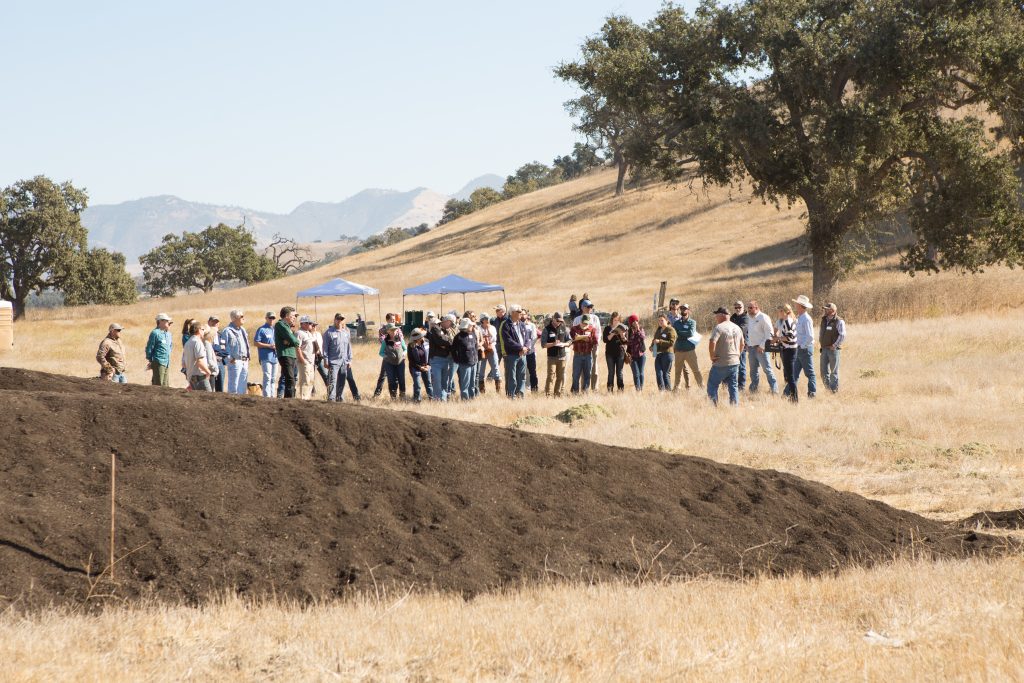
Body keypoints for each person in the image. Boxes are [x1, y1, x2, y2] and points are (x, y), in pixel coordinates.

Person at [707, 306, 745, 406]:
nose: (716, 317)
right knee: (733, 386)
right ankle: (734, 406)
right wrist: (738, 355)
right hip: (735, 362)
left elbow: (712, 342)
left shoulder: (719, 327)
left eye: (717, 315)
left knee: (712, 385)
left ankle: (713, 406)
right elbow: (742, 344)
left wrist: (712, 356)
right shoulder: (737, 327)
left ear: (722, 315)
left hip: (721, 363)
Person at [745, 300, 778, 394]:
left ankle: (774, 390)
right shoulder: (749, 318)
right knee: (753, 371)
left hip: (761, 349)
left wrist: (762, 346)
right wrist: (748, 343)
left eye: (751, 308)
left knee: (767, 369)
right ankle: (753, 390)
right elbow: (748, 332)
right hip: (751, 348)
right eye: (748, 308)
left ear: (757, 308)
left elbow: (770, 333)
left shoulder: (763, 317)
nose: (749, 310)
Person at [321, 313, 354, 401]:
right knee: (332, 381)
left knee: (342, 381)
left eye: (341, 319)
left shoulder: (346, 333)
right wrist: (326, 360)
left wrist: (350, 360)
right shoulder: (328, 333)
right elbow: (325, 348)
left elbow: (348, 347)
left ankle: (340, 398)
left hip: (344, 361)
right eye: (338, 319)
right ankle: (331, 399)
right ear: (334, 320)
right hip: (333, 362)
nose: (339, 321)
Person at [671, 304, 703, 390]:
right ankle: (676, 389)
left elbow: (691, 333)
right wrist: (683, 333)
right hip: (678, 350)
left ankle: (701, 387)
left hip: (690, 350)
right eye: (681, 308)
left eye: (685, 308)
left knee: (696, 370)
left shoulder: (692, 322)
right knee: (678, 372)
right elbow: (674, 334)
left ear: (688, 310)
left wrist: (679, 332)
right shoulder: (676, 323)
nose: (683, 310)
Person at [499, 304, 529, 398]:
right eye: (518, 312)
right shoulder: (506, 324)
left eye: (521, 312)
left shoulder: (522, 324)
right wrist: (520, 348)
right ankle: (511, 396)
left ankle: (520, 394)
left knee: (522, 376)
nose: (521, 314)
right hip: (511, 355)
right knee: (511, 377)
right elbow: (508, 340)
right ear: (512, 313)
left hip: (522, 354)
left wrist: (525, 348)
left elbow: (527, 338)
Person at [792, 295, 817, 400]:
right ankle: (788, 393)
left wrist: (802, 346)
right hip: (799, 349)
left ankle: (812, 393)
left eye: (797, 304)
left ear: (801, 306)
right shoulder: (799, 318)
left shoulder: (806, 319)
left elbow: (810, 336)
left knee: (810, 373)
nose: (795, 305)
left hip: (804, 349)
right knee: (794, 373)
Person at [274, 307, 303, 398]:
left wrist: (290, 340)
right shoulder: (280, 324)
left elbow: (294, 340)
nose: (294, 318)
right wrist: (292, 340)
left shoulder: (288, 327)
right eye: (293, 316)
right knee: (290, 378)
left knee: (293, 378)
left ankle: (290, 398)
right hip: (285, 354)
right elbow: (295, 341)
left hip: (292, 354)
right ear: (286, 316)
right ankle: (289, 399)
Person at [572, 298, 600, 390]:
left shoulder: (595, 318)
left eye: (591, 307)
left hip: (592, 347)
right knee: (580, 371)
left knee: (594, 369)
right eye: (588, 307)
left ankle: (594, 388)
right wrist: (581, 338)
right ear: (582, 307)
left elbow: (598, 332)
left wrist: (596, 345)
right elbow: (573, 335)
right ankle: (582, 389)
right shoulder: (577, 319)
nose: (590, 308)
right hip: (579, 348)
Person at [373, 313, 403, 398]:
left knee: (396, 377)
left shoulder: (398, 329)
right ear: (387, 320)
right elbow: (382, 341)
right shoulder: (382, 330)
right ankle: (377, 394)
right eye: (392, 320)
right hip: (387, 356)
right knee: (383, 376)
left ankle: (395, 395)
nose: (394, 321)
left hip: (397, 356)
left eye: (394, 320)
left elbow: (401, 340)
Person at [427, 314, 456, 401]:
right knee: (437, 381)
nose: (450, 326)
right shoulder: (435, 328)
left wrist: (446, 342)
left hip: (445, 359)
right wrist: (447, 341)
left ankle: (443, 400)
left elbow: (448, 341)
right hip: (436, 359)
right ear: (447, 321)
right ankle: (437, 399)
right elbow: (440, 341)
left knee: (444, 382)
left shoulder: (446, 330)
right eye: (450, 324)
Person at [221, 309, 250, 395]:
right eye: (241, 316)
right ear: (234, 318)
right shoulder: (227, 331)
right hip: (235, 361)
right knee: (234, 386)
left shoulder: (243, 330)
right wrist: (229, 358)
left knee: (243, 387)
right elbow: (222, 346)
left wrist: (248, 357)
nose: (243, 318)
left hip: (245, 361)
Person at [542, 311, 571, 396]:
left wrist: (565, 344)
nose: (559, 323)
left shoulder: (564, 328)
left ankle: (557, 394)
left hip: (562, 356)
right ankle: (548, 394)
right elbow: (543, 344)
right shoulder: (547, 329)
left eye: (561, 321)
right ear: (553, 319)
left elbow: (569, 340)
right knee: (551, 376)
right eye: (558, 321)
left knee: (560, 376)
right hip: (552, 357)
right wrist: (553, 344)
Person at [819, 302, 846, 393]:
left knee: (833, 372)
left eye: (827, 309)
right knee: (823, 371)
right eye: (825, 309)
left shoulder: (839, 321)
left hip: (833, 350)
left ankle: (834, 391)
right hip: (824, 349)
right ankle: (828, 390)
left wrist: (834, 346)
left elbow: (842, 335)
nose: (825, 310)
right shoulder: (824, 320)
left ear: (833, 311)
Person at [452, 318, 479, 400]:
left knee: (472, 383)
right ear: (466, 326)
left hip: (474, 363)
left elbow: (476, 346)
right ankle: (465, 400)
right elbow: (453, 350)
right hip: (464, 364)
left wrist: (476, 358)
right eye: (470, 325)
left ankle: (472, 398)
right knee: (465, 384)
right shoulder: (458, 337)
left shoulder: (473, 334)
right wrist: (457, 360)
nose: (472, 326)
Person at [775, 304, 798, 400]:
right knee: (789, 376)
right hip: (789, 349)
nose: (778, 313)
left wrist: (777, 339)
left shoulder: (788, 321)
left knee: (790, 377)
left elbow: (789, 337)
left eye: (779, 311)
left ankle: (794, 398)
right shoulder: (787, 321)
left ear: (783, 312)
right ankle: (793, 397)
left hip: (790, 350)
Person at [182, 320, 213, 392]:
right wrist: (208, 372)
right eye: (202, 329)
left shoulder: (188, 343)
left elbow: (184, 364)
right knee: (209, 400)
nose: (203, 332)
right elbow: (200, 361)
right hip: (200, 377)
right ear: (198, 330)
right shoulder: (197, 342)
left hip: (192, 378)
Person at [145, 313, 173, 387]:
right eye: (166, 321)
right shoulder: (155, 333)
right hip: (158, 362)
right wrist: (151, 360)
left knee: (166, 385)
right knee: (158, 385)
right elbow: (149, 348)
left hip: (166, 362)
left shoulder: (168, 334)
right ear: (160, 321)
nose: (168, 322)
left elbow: (170, 346)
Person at [254, 312, 278, 398]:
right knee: (267, 377)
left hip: (275, 357)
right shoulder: (262, 329)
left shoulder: (275, 329)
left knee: (273, 378)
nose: (272, 320)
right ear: (266, 318)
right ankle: (266, 396)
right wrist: (269, 346)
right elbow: (256, 342)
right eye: (270, 318)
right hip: (265, 357)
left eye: (273, 318)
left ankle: (272, 395)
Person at [380, 323, 407, 399]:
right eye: (392, 330)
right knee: (391, 380)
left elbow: (405, 349)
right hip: (389, 364)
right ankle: (393, 397)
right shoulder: (385, 341)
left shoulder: (400, 339)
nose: (394, 331)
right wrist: (386, 357)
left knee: (401, 379)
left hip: (400, 363)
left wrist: (403, 354)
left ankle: (402, 396)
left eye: (395, 330)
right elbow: (381, 352)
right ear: (388, 331)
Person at [603, 312, 627, 392]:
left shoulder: (623, 328)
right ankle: (610, 390)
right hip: (610, 353)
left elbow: (625, 342)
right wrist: (613, 333)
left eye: (618, 320)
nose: (616, 322)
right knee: (611, 372)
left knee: (619, 372)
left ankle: (620, 389)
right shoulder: (607, 328)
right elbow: (605, 340)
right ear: (612, 320)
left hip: (620, 353)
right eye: (615, 320)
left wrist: (622, 335)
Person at [652, 314, 677, 391]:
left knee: (665, 374)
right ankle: (661, 391)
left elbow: (671, 343)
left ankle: (668, 391)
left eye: (662, 320)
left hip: (667, 354)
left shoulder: (671, 330)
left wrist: (660, 341)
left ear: (667, 320)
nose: (660, 322)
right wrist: (651, 346)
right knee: (658, 373)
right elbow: (654, 340)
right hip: (658, 354)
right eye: (659, 321)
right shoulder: (658, 330)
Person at [296, 316, 318, 400]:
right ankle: (303, 398)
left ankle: (308, 398)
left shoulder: (309, 333)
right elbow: (297, 347)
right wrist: (302, 359)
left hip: (311, 361)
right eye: (308, 323)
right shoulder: (299, 333)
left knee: (311, 381)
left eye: (310, 323)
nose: (310, 325)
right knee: (305, 380)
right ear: (303, 324)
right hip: (305, 361)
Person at [408, 328, 433, 402]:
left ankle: (431, 399)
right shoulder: (411, 345)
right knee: (417, 385)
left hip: (426, 366)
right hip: (415, 367)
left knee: (428, 384)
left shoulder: (427, 342)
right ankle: (417, 400)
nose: (422, 337)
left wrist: (428, 365)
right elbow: (411, 360)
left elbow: (430, 355)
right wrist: (420, 367)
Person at [477, 314, 500, 394]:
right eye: (485, 319)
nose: (487, 320)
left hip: (491, 348)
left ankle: (498, 390)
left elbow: (494, 339)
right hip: (482, 349)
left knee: (495, 367)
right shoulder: (478, 328)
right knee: (481, 370)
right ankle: (482, 391)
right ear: (482, 320)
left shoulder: (492, 328)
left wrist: (488, 329)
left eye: (488, 318)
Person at [730, 301, 750, 391]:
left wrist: (730, 330)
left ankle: (741, 387)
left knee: (741, 366)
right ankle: (733, 384)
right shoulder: (733, 317)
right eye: (736, 307)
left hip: (742, 345)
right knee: (731, 365)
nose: (738, 309)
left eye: (739, 307)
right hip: (731, 345)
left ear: (743, 307)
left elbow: (741, 330)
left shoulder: (746, 317)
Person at [626, 314, 647, 391]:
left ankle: (641, 388)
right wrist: (635, 335)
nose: (635, 322)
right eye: (633, 321)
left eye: (636, 321)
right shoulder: (628, 331)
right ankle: (638, 389)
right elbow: (629, 342)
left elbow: (643, 337)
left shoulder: (641, 329)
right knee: (636, 373)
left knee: (641, 373)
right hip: (632, 356)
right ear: (631, 323)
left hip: (641, 355)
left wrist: (638, 330)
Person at [207, 315, 227, 392]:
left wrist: (215, 350)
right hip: (210, 364)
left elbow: (226, 351)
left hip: (220, 363)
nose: (215, 323)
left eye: (217, 322)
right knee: (210, 388)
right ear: (209, 322)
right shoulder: (206, 335)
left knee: (220, 389)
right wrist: (218, 349)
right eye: (213, 321)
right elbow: (208, 348)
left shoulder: (221, 335)